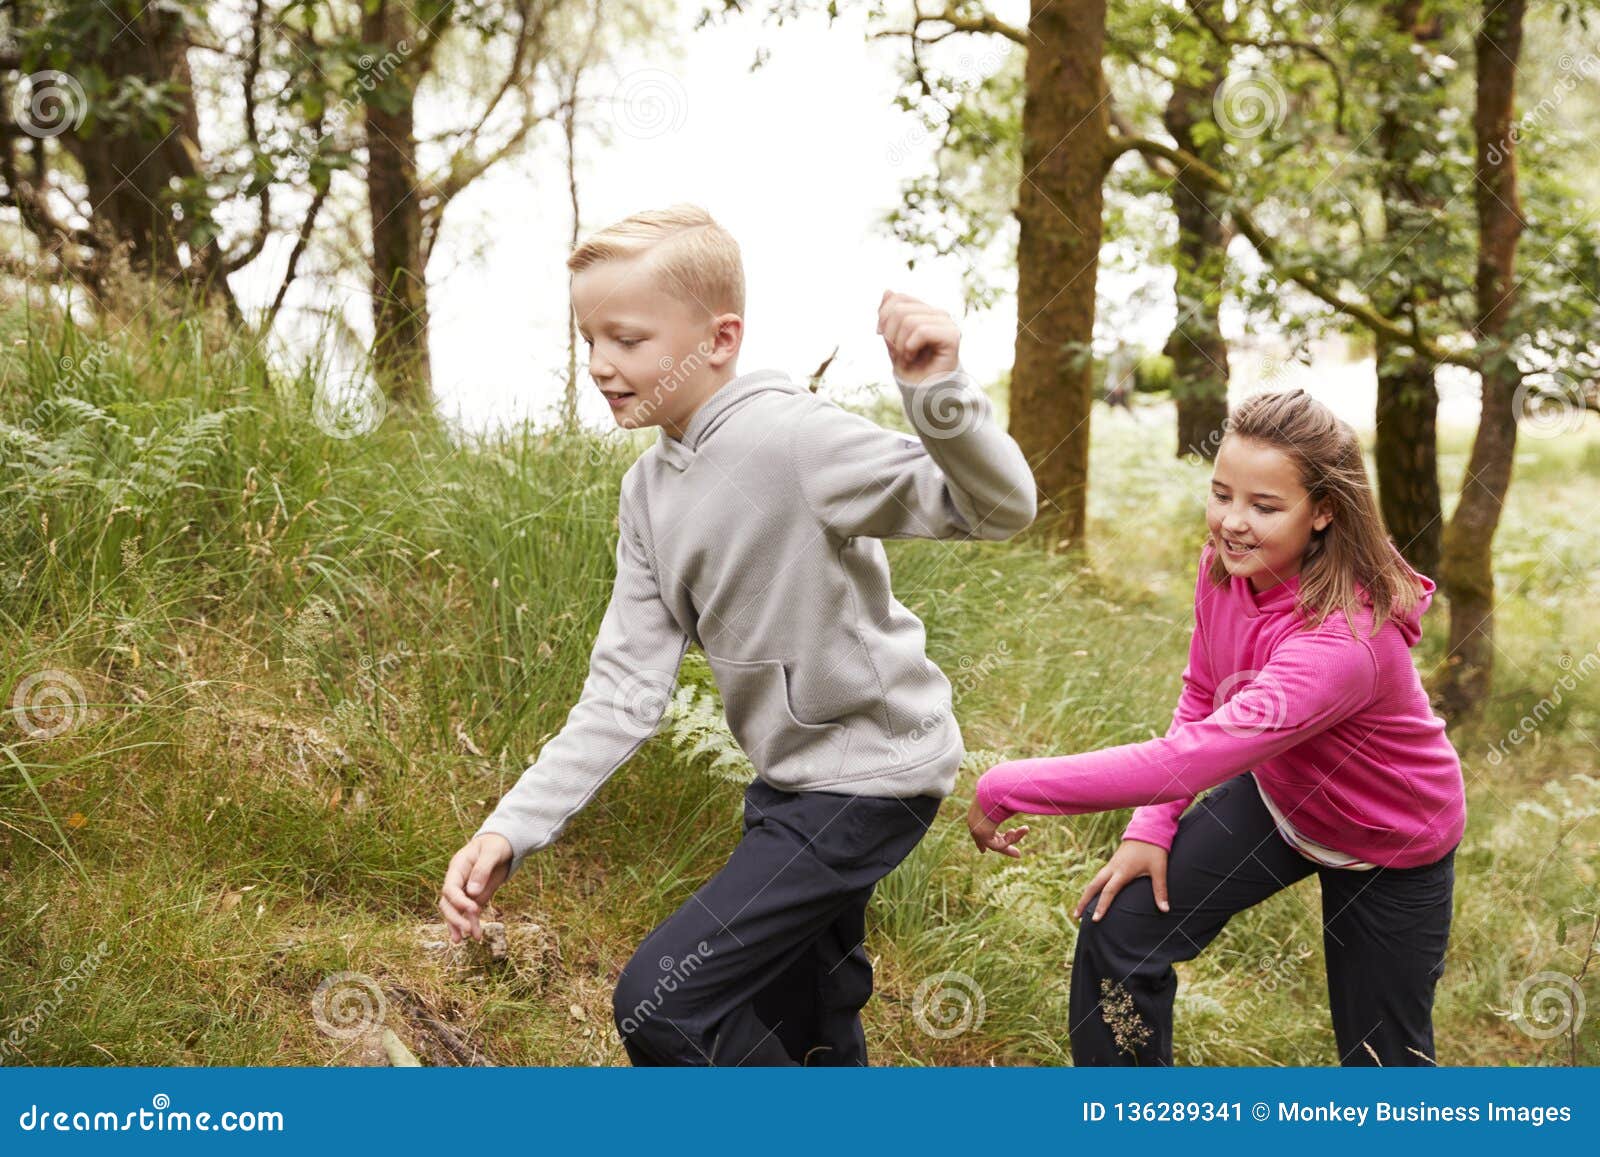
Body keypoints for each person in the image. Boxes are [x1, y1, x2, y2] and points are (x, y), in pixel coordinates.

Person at [437, 204, 1037, 1065]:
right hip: (791, 785)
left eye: (630, 340)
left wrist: (938, 390)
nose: (603, 365)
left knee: (662, 1004)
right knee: (811, 1023)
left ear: (719, 338)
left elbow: (998, 507)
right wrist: (511, 826)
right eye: (590, 341)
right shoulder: (648, 492)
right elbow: (622, 693)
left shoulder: (793, 439)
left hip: (870, 777)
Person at [969, 388, 1466, 1066]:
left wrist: (1009, 783)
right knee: (1118, 930)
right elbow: (1203, 692)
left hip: (1389, 841)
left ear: (1323, 511)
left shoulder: (1344, 645)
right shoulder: (1227, 570)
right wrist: (1151, 827)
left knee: (1383, 1065)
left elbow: (1192, 756)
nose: (1232, 522)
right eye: (1222, 493)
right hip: (1284, 799)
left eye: (1264, 506)